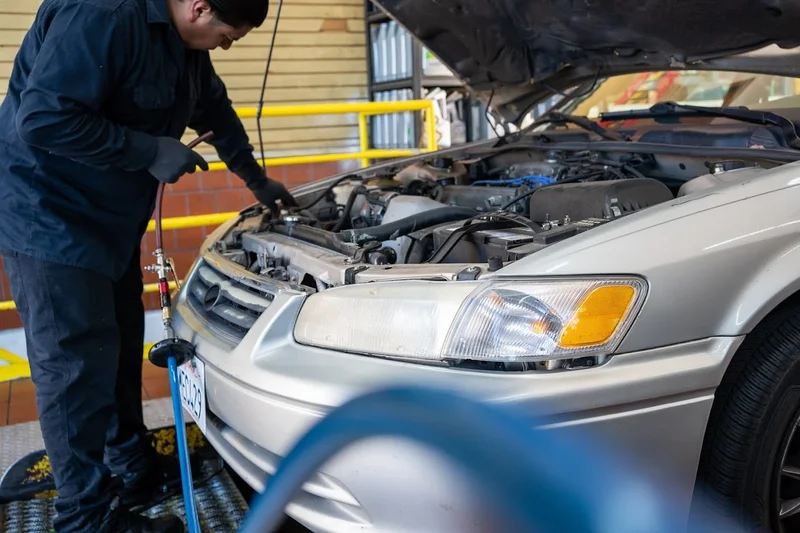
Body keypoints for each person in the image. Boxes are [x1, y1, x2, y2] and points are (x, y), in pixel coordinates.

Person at [0, 0, 296, 529]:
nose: (227, 46)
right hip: (47, 216)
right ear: (199, 7)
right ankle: (84, 516)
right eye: (227, 35)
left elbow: (217, 112)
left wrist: (256, 181)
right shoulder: (103, 14)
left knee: (112, 348)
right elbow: (43, 119)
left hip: (109, 223)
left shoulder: (183, 45)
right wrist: (148, 150)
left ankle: (130, 465)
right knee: (72, 368)